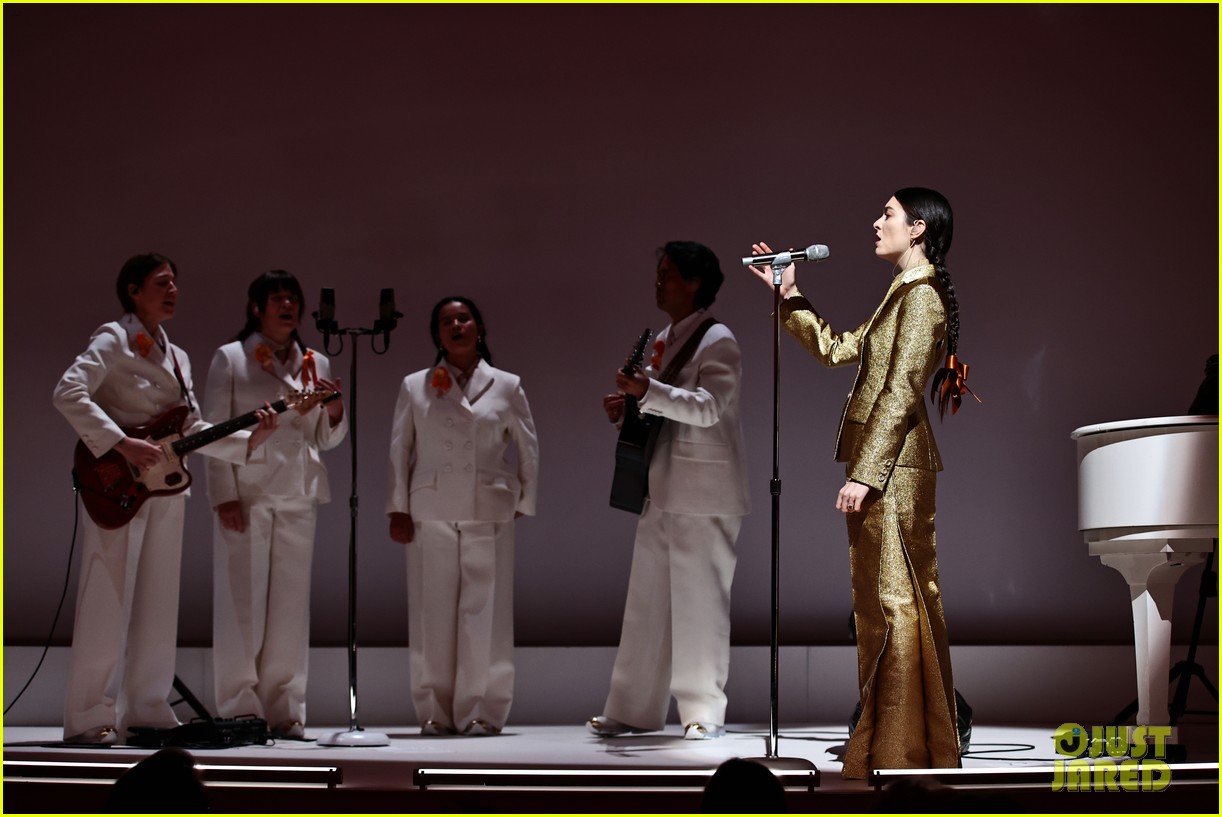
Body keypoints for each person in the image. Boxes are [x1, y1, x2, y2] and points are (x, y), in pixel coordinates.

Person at [748, 187, 972, 777]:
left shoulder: (921, 298)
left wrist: (867, 477)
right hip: (888, 467)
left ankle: (906, 749)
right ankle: (894, 743)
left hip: (894, 470)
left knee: (897, 605)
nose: (877, 223)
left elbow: (900, 393)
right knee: (884, 605)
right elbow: (838, 349)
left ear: (918, 229)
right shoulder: (902, 293)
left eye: (889, 215)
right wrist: (790, 296)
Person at [53, 253, 277, 744]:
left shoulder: (177, 355)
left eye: (175, 282)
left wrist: (248, 440)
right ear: (134, 290)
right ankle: (90, 715)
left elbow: (190, 427)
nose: (173, 289)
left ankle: (148, 707)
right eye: (161, 282)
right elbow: (69, 392)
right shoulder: (113, 336)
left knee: (158, 600)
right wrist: (120, 441)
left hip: (166, 484)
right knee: (106, 595)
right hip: (116, 479)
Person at [589, 241, 750, 741]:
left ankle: (703, 710)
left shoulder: (717, 338)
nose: (659, 282)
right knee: (648, 602)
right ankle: (633, 707)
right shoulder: (666, 337)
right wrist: (632, 407)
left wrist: (648, 393)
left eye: (669, 274)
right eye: (658, 273)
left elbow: (708, 408)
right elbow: (669, 407)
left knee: (700, 603)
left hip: (704, 490)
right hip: (663, 484)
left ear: (695, 282)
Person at [203, 270, 347, 740]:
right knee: (241, 602)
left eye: (292, 299)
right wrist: (223, 495)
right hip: (248, 489)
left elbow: (326, 438)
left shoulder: (315, 361)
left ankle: (286, 707)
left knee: (289, 604)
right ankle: (240, 707)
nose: (287, 306)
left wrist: (335, 410)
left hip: (299, 487)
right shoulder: (232, 358)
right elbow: (213, 431)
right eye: (277, 299)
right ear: (256, 308)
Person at [386, 296, 539, 736]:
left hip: (487, 505)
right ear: (437, 334)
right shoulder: (416, 385)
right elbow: (400, 450)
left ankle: (481, 710)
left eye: (463, 318)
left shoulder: (506, 384)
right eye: (446, 321)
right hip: (430, 507)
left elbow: (528, 446)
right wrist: (397, 508)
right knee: (431, 610)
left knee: (485, 611)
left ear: (479, 327)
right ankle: (434, 709)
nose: (456, 325)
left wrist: (525, 499)